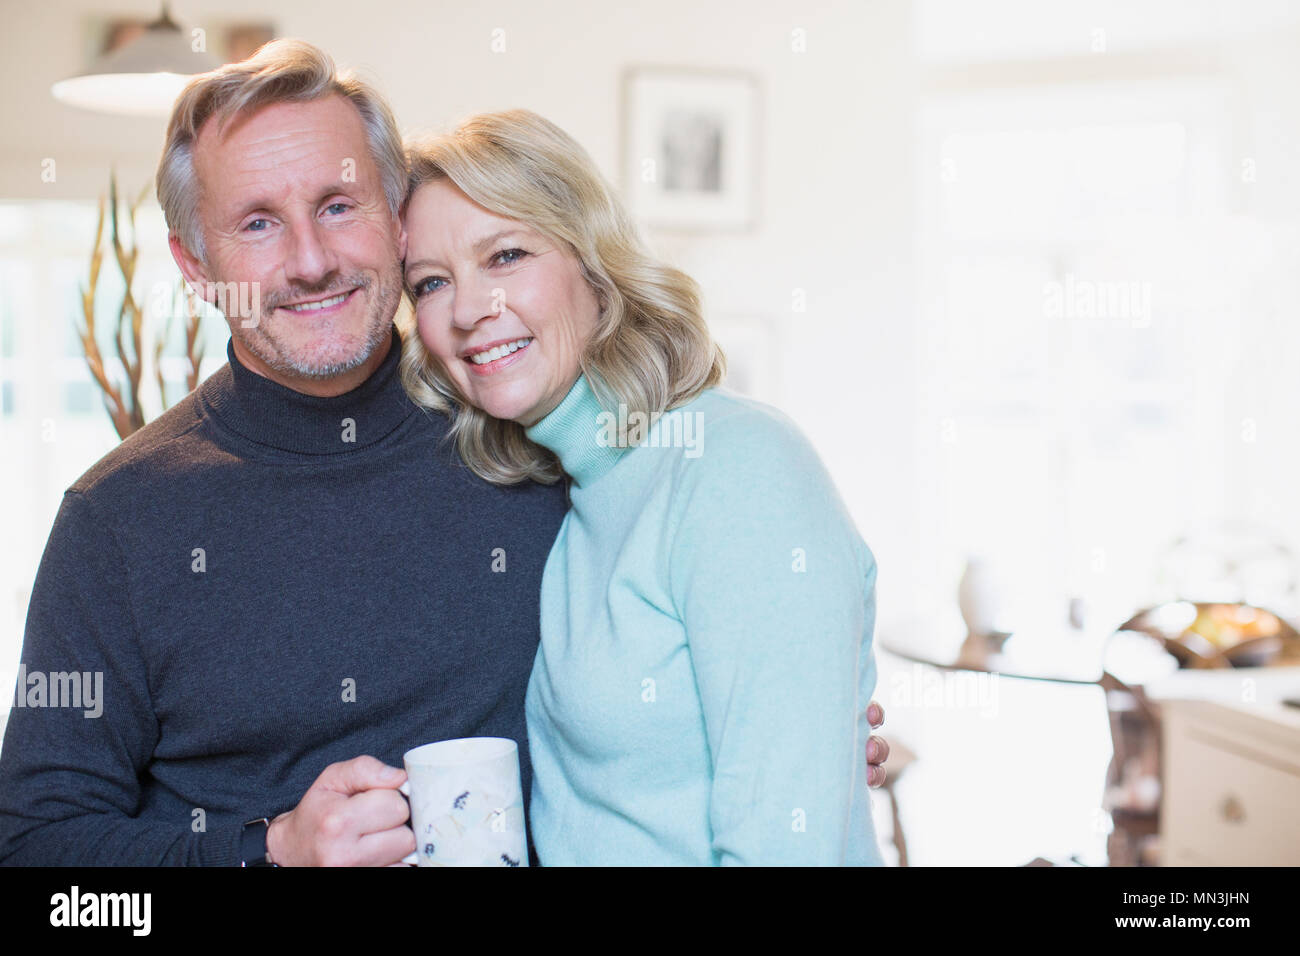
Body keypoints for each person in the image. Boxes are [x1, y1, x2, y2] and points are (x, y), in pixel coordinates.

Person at [0, 40, 888, 866]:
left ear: (393, 222)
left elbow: (698, 691)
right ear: (194, 264)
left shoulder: (515, 442)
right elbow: (44, 863)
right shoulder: (117, 522)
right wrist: (264, 850)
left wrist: (795, 742)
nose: (311, 261)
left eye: (338, 205)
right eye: (259, 224)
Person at [400, 110, 887, 864]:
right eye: (432, 282)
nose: (467, 310)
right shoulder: (569, 495)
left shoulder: (737, 465)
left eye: (505, 256)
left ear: (594, 269)